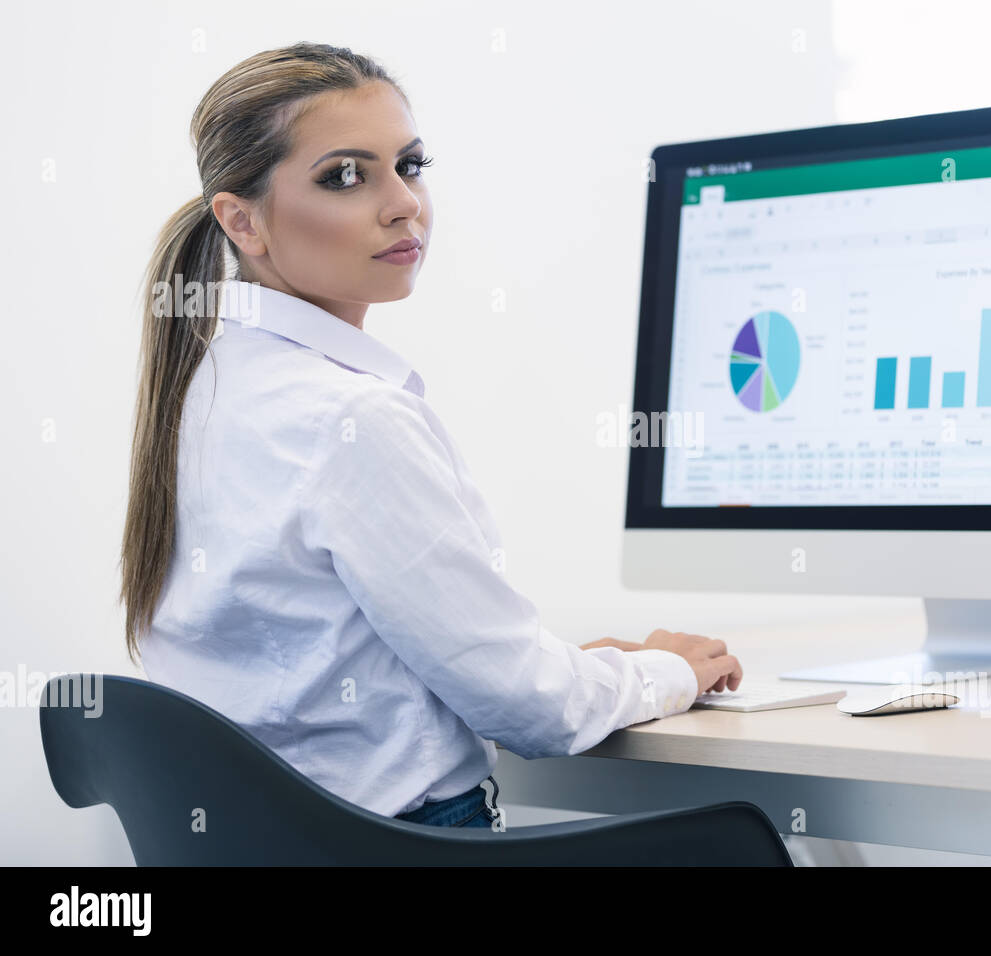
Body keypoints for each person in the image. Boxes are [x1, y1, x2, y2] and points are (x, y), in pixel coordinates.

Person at [119, 41, 743, 830]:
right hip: (404, 844)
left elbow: (349, 663)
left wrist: (565, 668)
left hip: (292, 843)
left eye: (409, 165)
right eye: (345, 175)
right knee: (738, 837)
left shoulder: (211, 386)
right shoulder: (349, 419)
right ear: (242, 221)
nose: (401, 203)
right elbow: (533, 715)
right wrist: (664, 672)